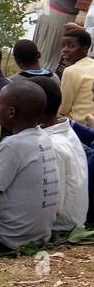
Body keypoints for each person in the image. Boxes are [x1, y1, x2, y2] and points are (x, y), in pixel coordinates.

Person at [0, 81, 60, 250]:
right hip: (41, 235)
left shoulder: (12, 146)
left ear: (11, 112)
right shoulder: (44, 137)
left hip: (7, 238)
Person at [27, 76, 89, 234]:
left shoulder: (52, 146)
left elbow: (54, 205)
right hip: (71, 219)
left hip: (61, 227)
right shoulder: (64, 129)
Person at [59, 27, 94, 125]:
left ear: (85, 49)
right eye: (63, 46)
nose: (64, 50)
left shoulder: (71, 71)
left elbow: (62, 109)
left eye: (70, 46)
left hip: (80, 125)